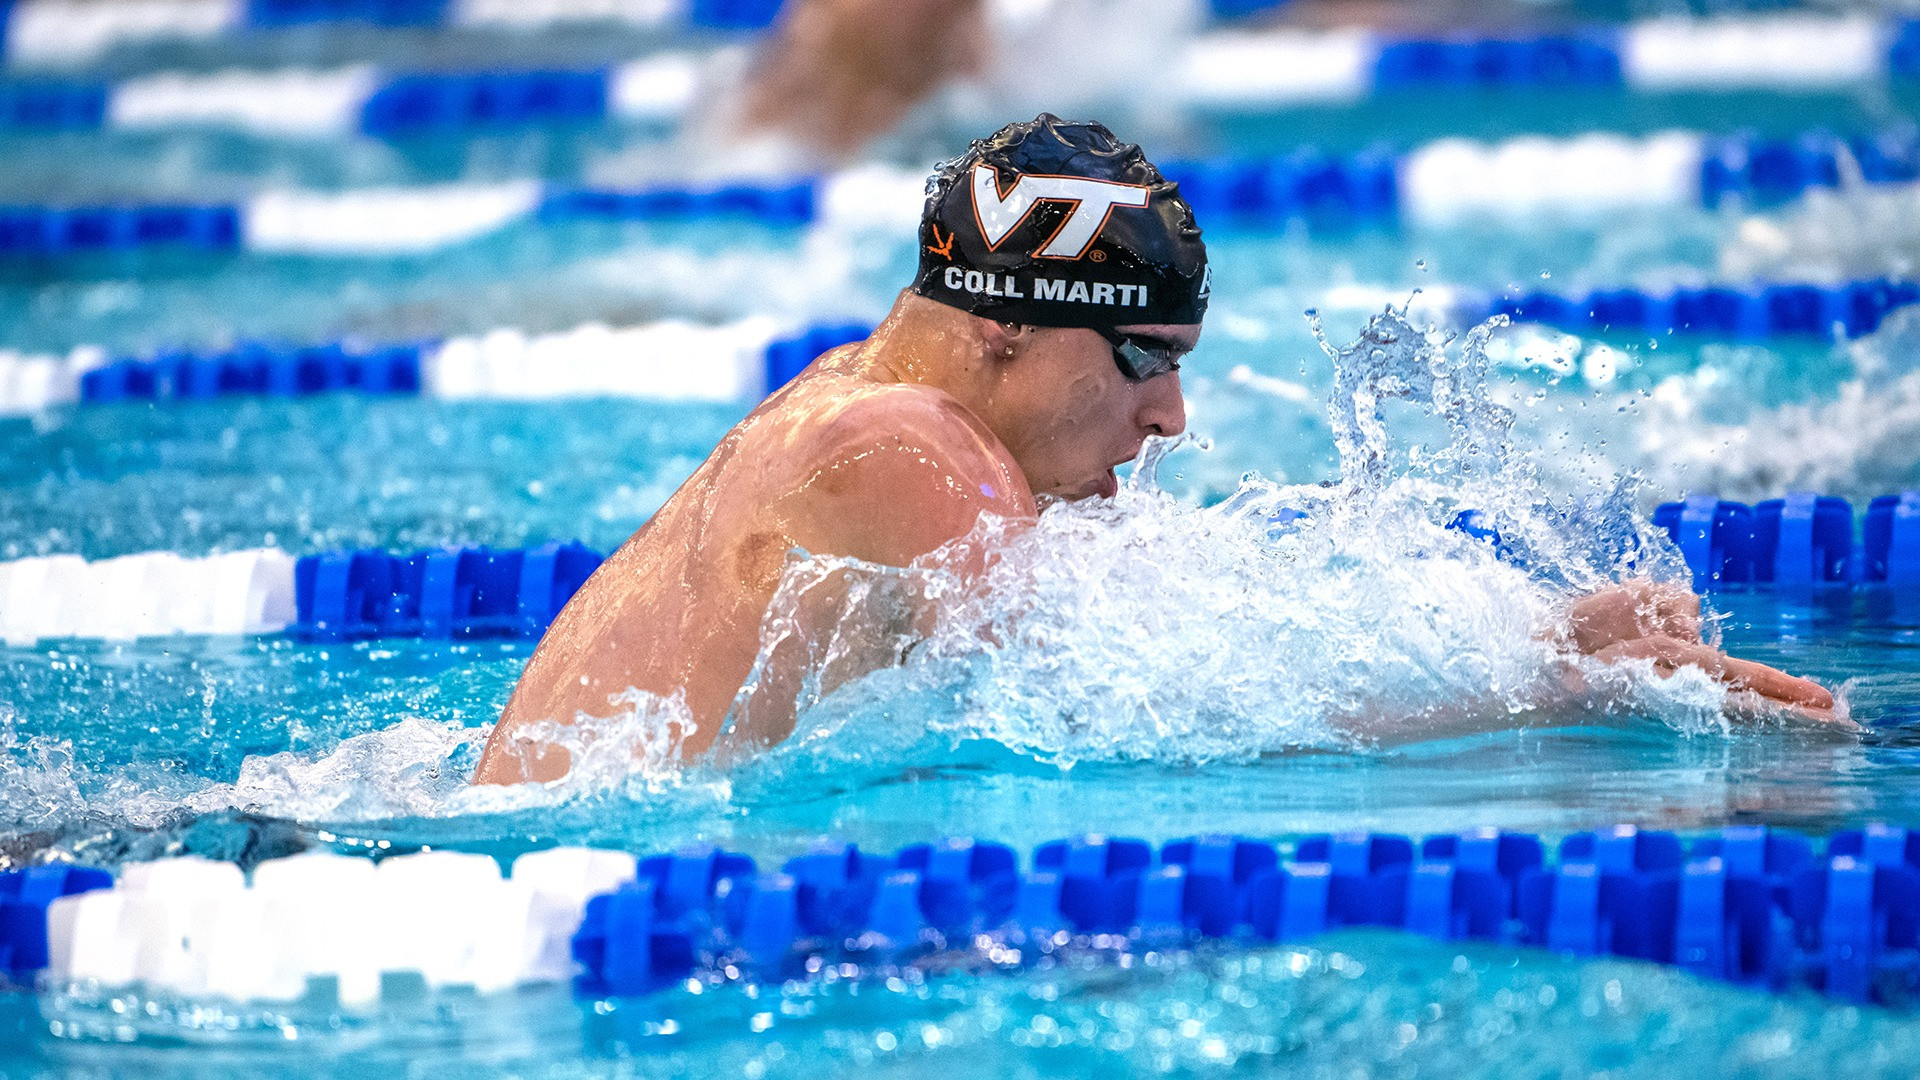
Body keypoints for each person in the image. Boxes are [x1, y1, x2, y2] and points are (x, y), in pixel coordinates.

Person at [472, 115, 1834, 786]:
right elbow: (1121, 724)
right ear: (1006, 328)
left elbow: (1182, 646)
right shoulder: (906, 445)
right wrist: (1547, 689)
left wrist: (1532, 629)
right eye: (1142, 362)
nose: (1170, 419)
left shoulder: (875, 399)